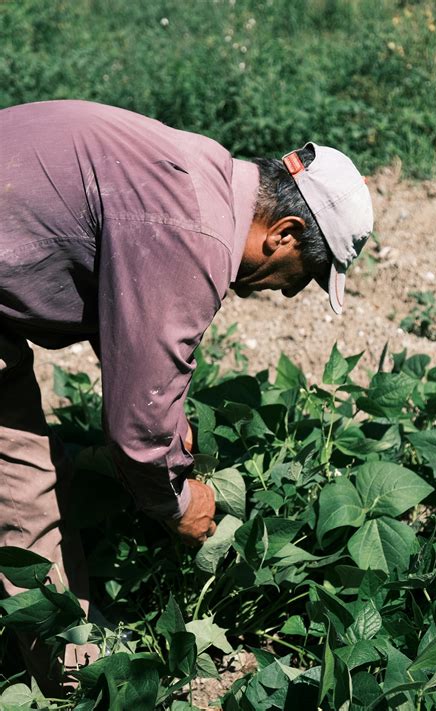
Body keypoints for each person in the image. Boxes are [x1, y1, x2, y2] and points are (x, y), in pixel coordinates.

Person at [0, 100, 373, 688]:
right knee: (25, 487)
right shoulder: (192, 233)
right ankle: (81, 689)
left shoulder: (203, 171)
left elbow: (126, 313)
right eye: (301, 277)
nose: (287, 294)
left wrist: (168, 425)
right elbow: (136, 434)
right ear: (284, 233)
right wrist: (175, 502)